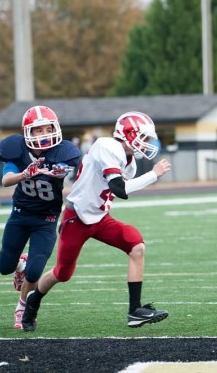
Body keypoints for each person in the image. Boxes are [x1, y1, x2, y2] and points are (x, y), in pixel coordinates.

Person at [21, 111, 172, 332]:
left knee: (136, 245)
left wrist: (150, 176)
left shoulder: (129, 162)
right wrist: (153, 175)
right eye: (145, 137)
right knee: (62, 273)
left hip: (100, 219)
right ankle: (33, 302)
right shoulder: (107, 146)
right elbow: (119, 188)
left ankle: (135, 311)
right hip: (77, 218)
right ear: (129, 134)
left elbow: (120, 187)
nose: (147, 142)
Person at [0, 106, 82, 329]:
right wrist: (25, 173)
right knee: (5, 266)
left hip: (46, 219)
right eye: (38, 130)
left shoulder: (62, 152)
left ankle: (22, 309)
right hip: (20, 215)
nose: (44, 134)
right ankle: (20, 265)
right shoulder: (17, 151)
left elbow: (68, 166)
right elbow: (6, 180)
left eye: (48, 129)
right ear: (28, 132)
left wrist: (60, 170)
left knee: (35, 272)